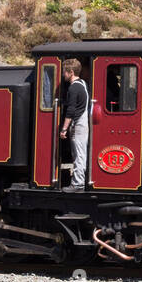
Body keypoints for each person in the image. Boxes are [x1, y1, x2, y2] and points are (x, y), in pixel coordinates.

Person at [60, 59, 89, 190]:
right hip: (81, 123)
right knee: (80, 153)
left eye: (64, 72)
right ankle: (79, 181)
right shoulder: (83, 83)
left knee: (78, 154)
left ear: (71, 72)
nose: (63, 75)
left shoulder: (74, 87)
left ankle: (78, 183)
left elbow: (71, 110)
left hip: (78, 124)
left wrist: (64, 129)